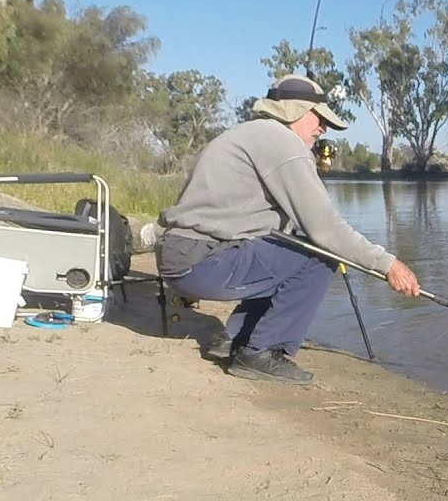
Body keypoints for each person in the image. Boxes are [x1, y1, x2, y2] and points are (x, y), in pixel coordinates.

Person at [155, 74, 421, 384]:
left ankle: (234, 339)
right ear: (295, 111)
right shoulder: (282, 143)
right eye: (319, 118)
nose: (322, 128)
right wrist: (387, 264)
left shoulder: (249, 133)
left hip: (184, 255)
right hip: (199, 263)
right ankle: (261, 352)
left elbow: (266, 222)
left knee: (293, 246)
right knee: (320, 255)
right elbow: (327, 231)